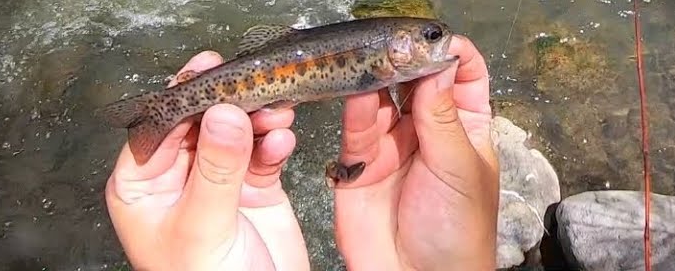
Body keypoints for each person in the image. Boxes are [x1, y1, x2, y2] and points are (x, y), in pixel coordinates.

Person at [104, 35, 500, 271]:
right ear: (396, 47)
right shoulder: (386, 65)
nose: (439, 43)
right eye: (430, 37)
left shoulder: (391, 65)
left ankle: (165, 108)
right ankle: (165, 108)